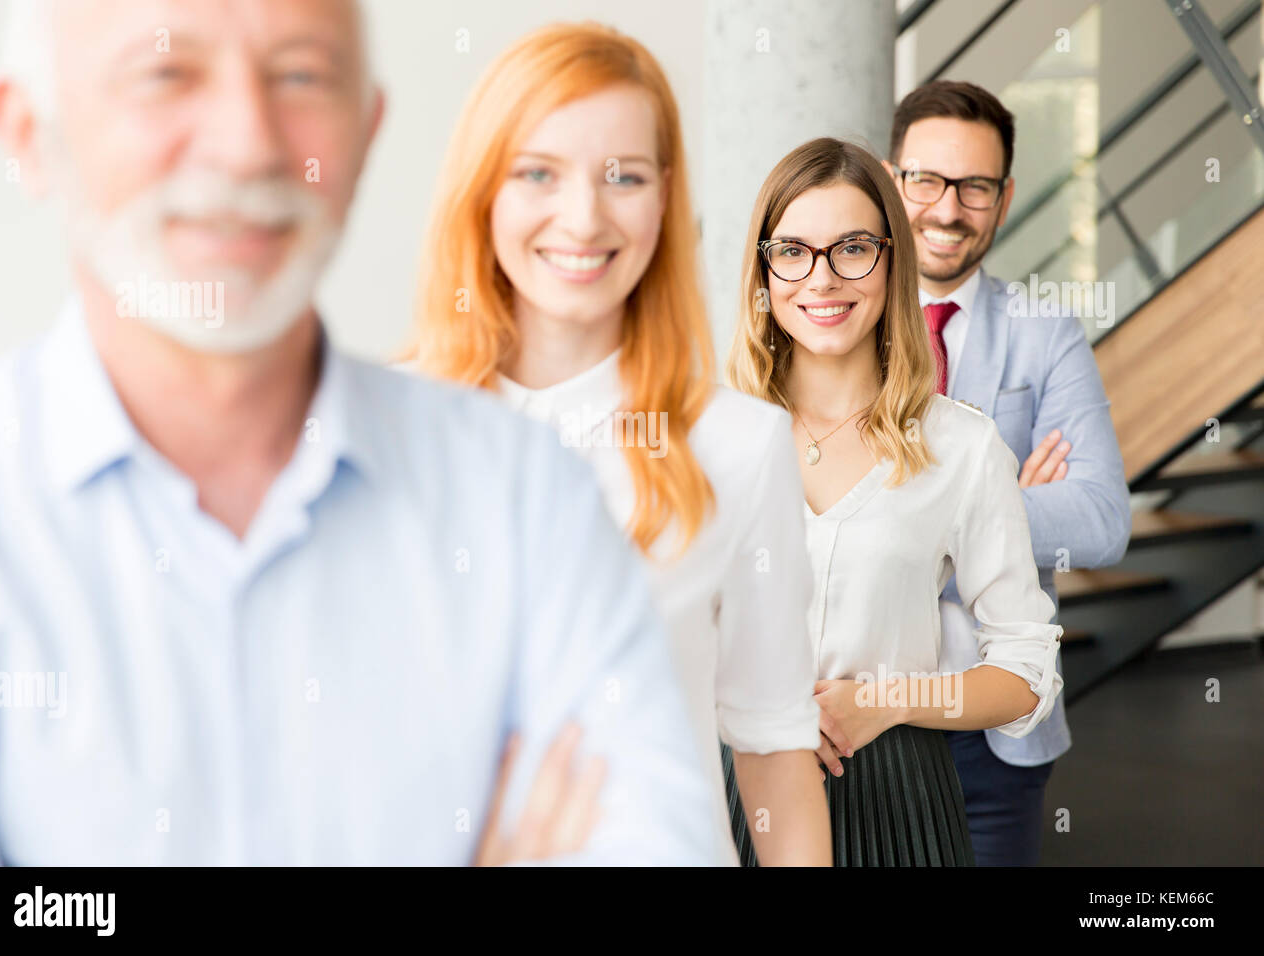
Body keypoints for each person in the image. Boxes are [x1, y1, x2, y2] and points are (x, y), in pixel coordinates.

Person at [0, 0, 720, 866]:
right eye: (167, 74)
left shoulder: (529, 497)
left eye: (300, 75)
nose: (248, 143)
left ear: (365, 132)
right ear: (27, 132)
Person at [402, 22, 830, 866]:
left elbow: (776, 745)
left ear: (665, 195)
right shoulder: (388, 431)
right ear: (485, 189)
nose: (583, 216)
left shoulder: (741, 444)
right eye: (538, 173)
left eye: (622, 176)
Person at [727, 137, 1064, 866]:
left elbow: (1027, 674)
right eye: (792, 251)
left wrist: (884, 701)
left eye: (852, 248)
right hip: (730, 791)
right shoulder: (709, 439)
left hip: (896, 800)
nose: (822, 278)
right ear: (763, 267)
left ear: (891, 259)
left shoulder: (962, 447)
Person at [886, 80, 1131, 866]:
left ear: (1005, 195)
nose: (948, 209)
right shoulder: (833, 319)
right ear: (893, 180)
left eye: (975, 187)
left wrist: (916, 526)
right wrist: (1000, 505)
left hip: (998, 739)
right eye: (926, 180)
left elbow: (1100, 521)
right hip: (859, 715)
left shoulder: (1045, 333)